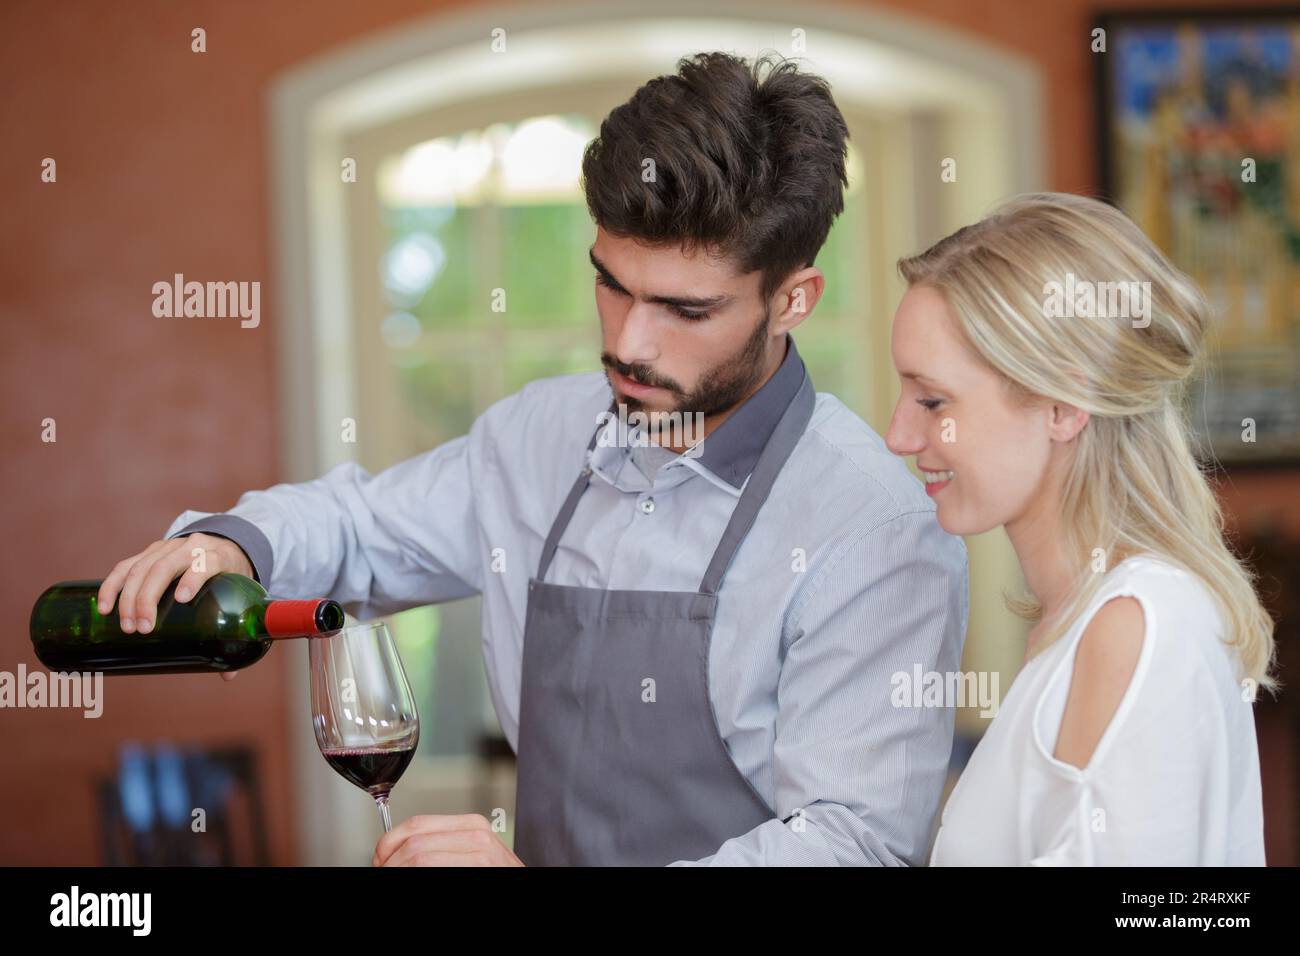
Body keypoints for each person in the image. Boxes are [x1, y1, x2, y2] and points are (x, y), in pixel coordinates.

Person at [96, 52, 968, 866]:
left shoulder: (871, 527)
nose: (628, 342)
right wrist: (234, 545)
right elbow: (358, 528)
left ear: (793, 299)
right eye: (610, 283)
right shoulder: (539, 438)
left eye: (684, 311)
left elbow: (850, 846)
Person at [885, 192, 1276, 865]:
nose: (898, 434)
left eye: (932, 400)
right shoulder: (1084, 625)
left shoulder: (1135, 626)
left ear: (1063, 406)